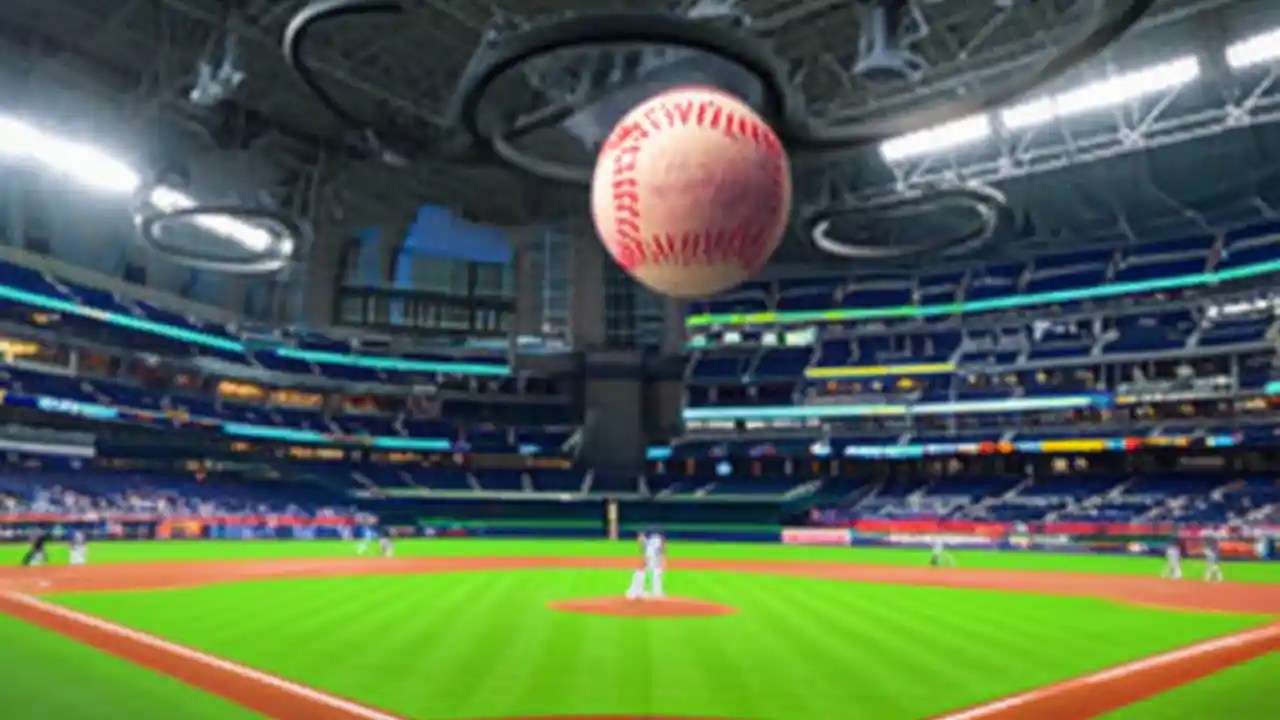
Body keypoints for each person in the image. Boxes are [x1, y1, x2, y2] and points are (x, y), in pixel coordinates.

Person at [625, 528, 666, 600]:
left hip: (651, 555)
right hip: (653, 555)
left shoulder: (646, 539)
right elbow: (661, 548)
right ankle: (655, 592)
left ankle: (636, 592)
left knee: (642, 571)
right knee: (654, 572)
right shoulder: (654, 539)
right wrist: (662, 559)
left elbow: (643, 549)